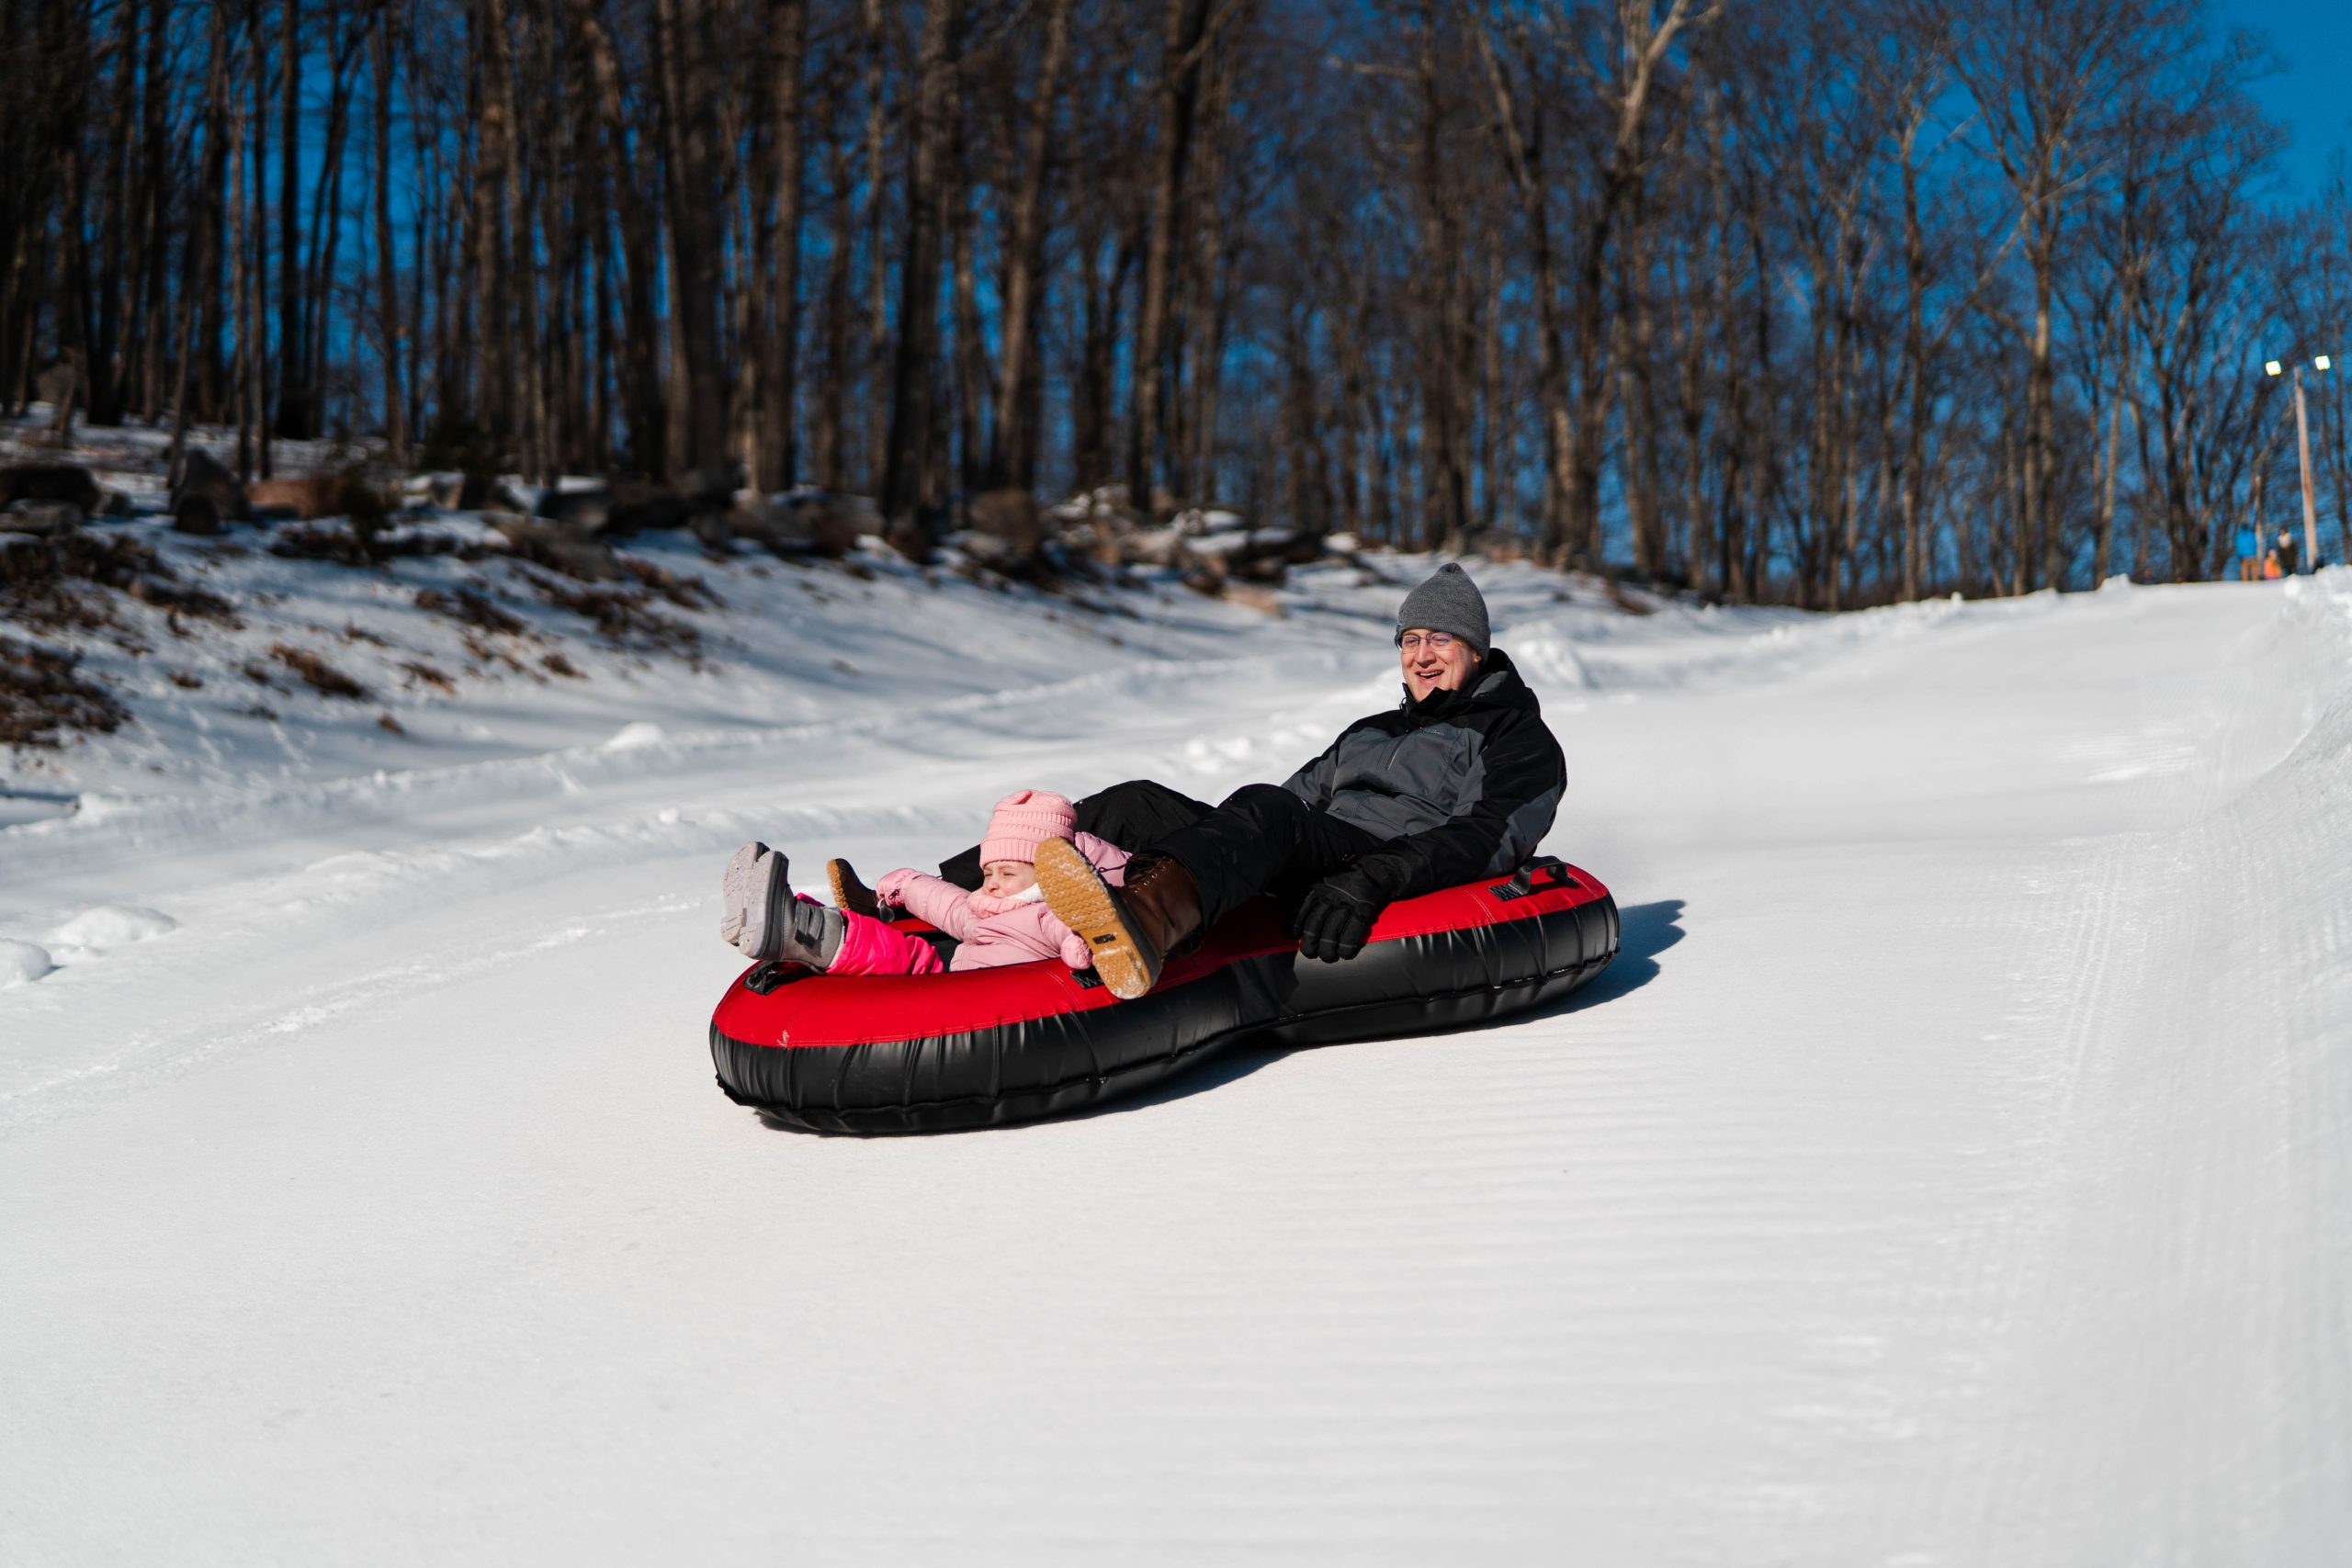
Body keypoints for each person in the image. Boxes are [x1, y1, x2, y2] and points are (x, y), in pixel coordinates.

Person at [1025, 562, 1566, 1000]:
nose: (1422, 656)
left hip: (1375, 861)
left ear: (1476, 650)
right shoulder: (1371, 730)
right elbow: (1298, 800)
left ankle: (1143, 924)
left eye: (1441, 640)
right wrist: (1224, 845)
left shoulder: (1516, 737)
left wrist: (1376, 875)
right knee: (1133, 803)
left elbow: (1487, 837)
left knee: (1268, 809)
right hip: (1308, 847)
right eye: (1411, 640)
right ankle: (973, 899)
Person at [719, 789, 1128, 975]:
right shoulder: (983, 908)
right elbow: (946, 903)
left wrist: (1079, 946)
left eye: (1008, 874)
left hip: (965, 991)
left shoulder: (1047, 911)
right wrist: (904, 884)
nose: (993, 883)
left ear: (1049, 877)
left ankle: (804, 931)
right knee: (901, 951)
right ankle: (794, 916)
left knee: (895, 957)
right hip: (951, 972)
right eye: (988, 873)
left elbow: (1072, 932)